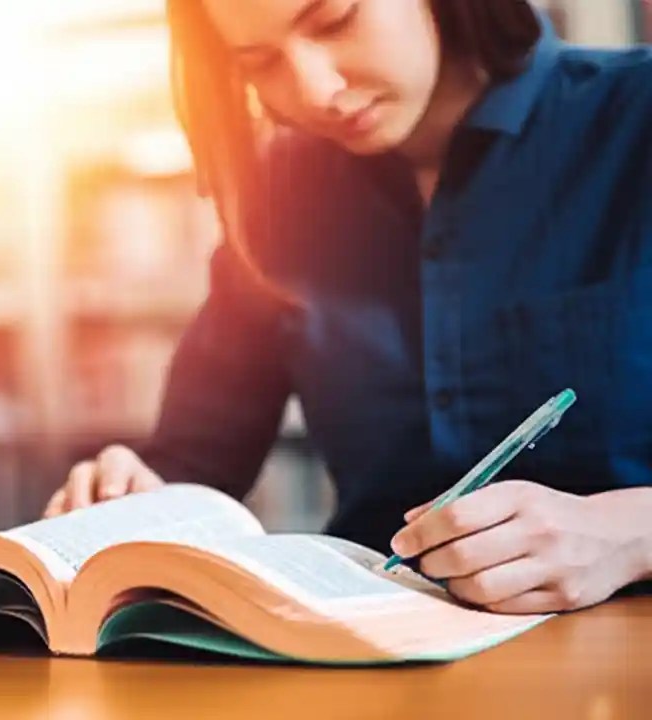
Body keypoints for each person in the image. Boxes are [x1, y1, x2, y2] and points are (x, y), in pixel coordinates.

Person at [43, 0, 652, 614]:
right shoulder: (279, 195)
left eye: (336, 21)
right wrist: (133, 495)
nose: (316, 91)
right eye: (259, 62)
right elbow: (193, 465)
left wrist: (627, 533)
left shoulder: (636, 119)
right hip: (367, 654)